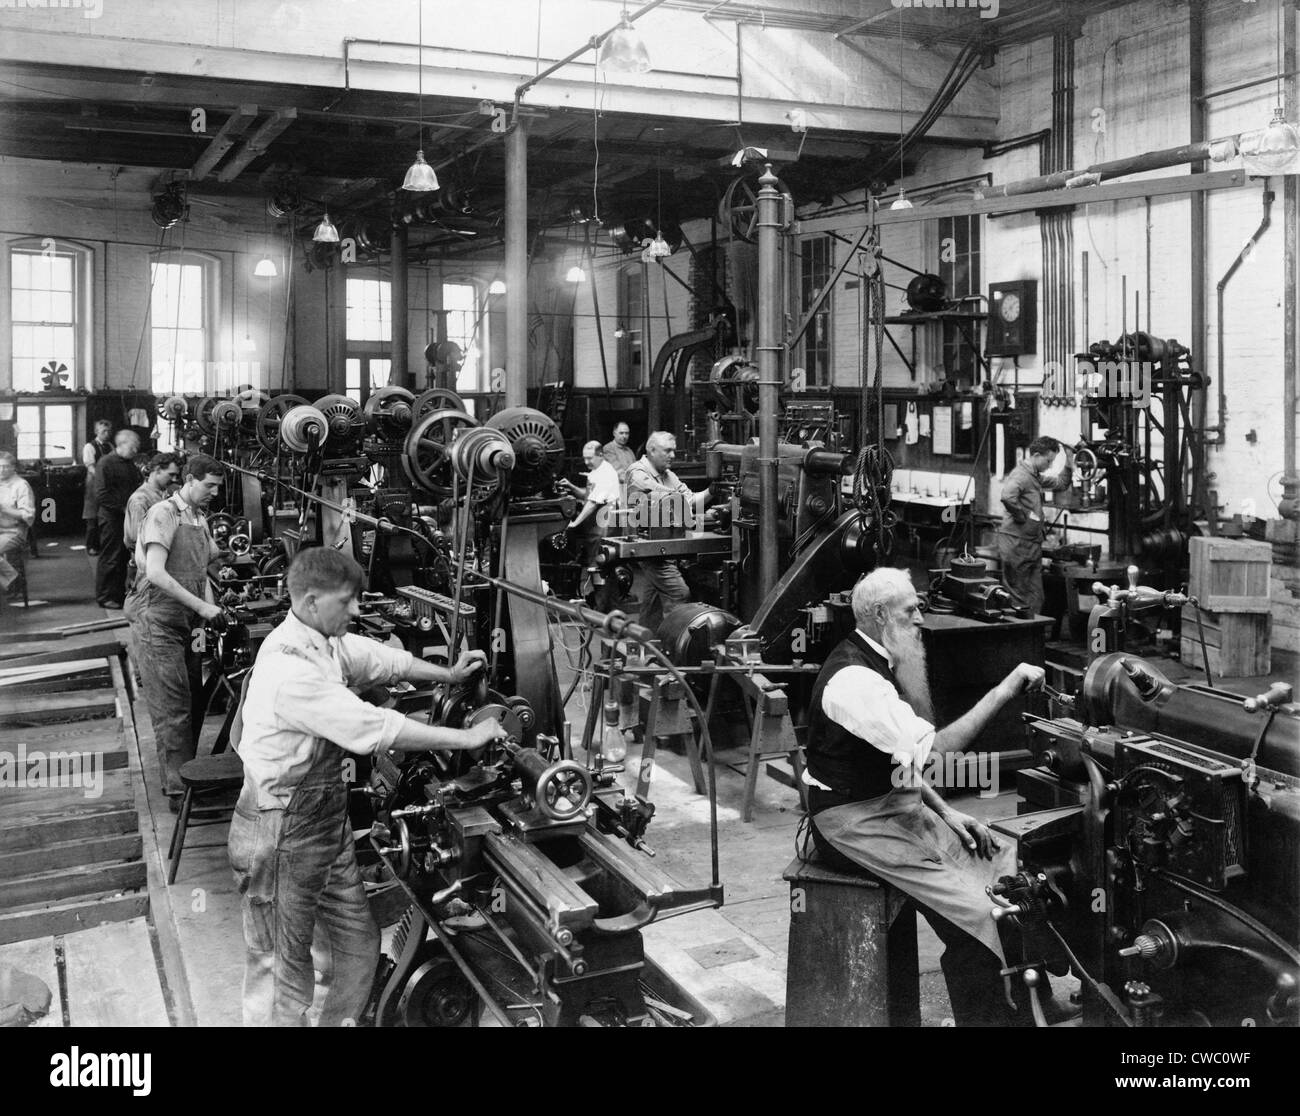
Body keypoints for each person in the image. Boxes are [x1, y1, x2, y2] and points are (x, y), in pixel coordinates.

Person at [229, 547, 507, 1027]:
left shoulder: (322, 639)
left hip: (322, 826)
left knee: (354, 949)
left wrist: (449, 674)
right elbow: (379, 728)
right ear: (312, 601)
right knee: (280, 972)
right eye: (347, 602)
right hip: (279, 833)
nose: (357, 611)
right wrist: (469, 736)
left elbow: (378, 660)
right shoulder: (290, 670)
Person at [804, 567, 1046, 1027]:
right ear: (880, 614)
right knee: (979, 915)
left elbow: (903, 762)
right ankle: (995, 1017)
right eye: (911, 610)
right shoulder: (855, 681)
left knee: (1005, 864)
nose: (921, 620)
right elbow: (934, 752)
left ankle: (1031, 1003)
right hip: (851, 822)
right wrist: (1004, 689)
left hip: (898, 806)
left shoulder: (879, 663)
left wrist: (947, 811)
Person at [124, 454, 225, 804]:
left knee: (193, 701)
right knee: (174, 707)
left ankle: (187, 775)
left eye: (217, 486)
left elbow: (200, 572)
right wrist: (202, 607)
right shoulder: (162, 513)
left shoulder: (199, 517)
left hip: (189, 622)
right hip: (159, 620)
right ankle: (179, 791)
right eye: (209, 485)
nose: (214, 492)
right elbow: (155, 572)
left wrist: (213, 609)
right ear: (190, 480)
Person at [625, 431, 711, 634]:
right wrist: (681, 498)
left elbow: (689, 501)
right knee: (679, 593)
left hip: (667, 545)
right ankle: (676, 647)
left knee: (652, 600)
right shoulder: (636, 472)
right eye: (668, 451)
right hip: (650, 548)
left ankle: (645, 644)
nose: (673, 455)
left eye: (673, 450)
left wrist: (711, 491)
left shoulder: (669, 475)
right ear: (652, 450)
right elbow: (663, 497)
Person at [997, 436, 1074, 616]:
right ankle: (1017, 638)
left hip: (1031, 544)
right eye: (1048, 461)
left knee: (1036, 596)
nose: (1050, 465)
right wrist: (1023, 517)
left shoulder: (1035, 477)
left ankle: (1032, 634)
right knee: (1017, 597)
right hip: (1017, 544)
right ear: (1037, 455)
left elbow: (1061, 483)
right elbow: (1007, 496)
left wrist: (1069, 460)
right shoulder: (1021, 475)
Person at [561, 441, 620, 609]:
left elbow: (593, 504)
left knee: (601, 569)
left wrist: (574, 524)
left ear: (600, 455)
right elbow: (587, 496)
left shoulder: (606, 473)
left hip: (604, 525)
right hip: (594, 526)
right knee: (595, 568)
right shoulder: (595, 471)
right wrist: (571, 487)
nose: (586, 462)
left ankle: (604, 611)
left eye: (590, 458)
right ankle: (601, 607)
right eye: (584, 459)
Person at [94, 429, 142, 609]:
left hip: (124, 517)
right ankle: (105, 596)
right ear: (121, 444)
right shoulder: (105, 463)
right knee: (110, 556)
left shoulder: (129, 463)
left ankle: (117, 594)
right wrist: (123, 508)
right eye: (133, 447)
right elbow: (101, 495)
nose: (136, 450)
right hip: (111, 518)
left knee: (122, 556)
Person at [125, 453, 180, 592]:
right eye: (171, 474)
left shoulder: (163, 494)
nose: (174, 479)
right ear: (157, 470)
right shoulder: (140, 500)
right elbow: (135, 539)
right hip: (145, 568)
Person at [0, 451, 36, 604]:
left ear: (13, 467)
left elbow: (27, 515)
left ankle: (14, 580)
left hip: (14, 531)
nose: (2, 470)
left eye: (6, 467)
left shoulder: (21, 485)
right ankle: (10, 579)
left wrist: (3, 509)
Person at [81, 419, 113, 555]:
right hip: (94, 484)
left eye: (108, 431)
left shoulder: (110, 446)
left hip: (107, 485)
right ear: (96, 432)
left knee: (106, 517)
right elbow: (90, 467)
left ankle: (104, 545)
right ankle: (91, 546)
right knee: (92, 517)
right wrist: (102, 478)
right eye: (103, 431)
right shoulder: (89, 446)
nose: (106, 433)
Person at [602, 422, 636, 494]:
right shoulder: (608, 449)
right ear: (614, 433)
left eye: (627, 433)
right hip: (615, 492)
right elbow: (620, 474)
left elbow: (636, 471)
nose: (624, 436)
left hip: (630, 489)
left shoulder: (629, 451)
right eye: (621, 433)